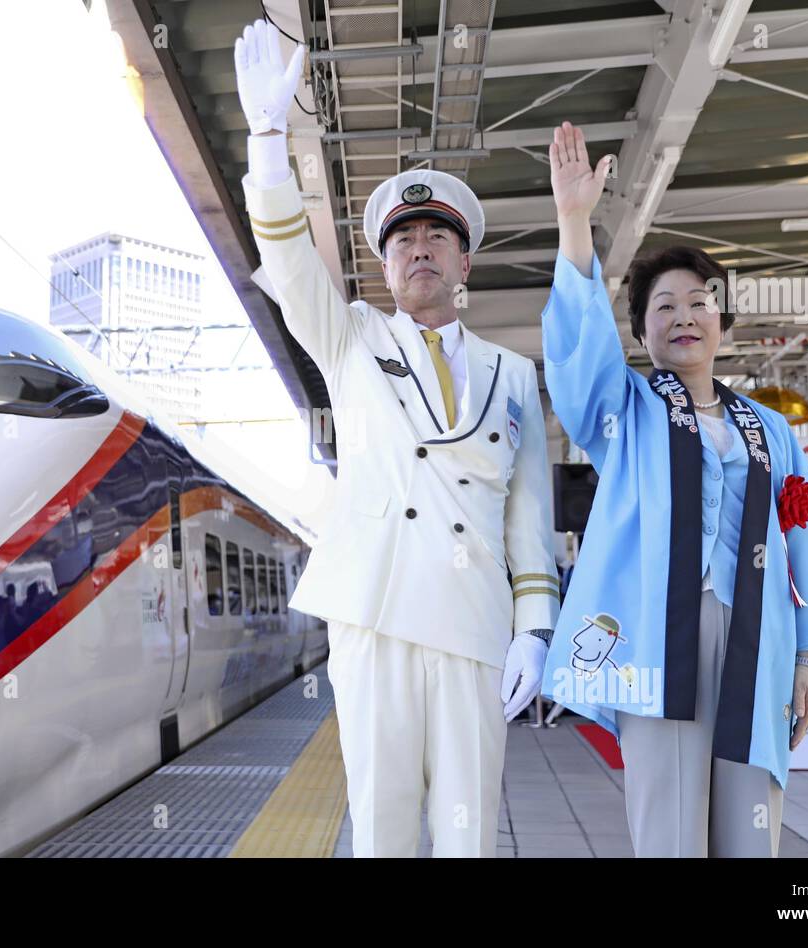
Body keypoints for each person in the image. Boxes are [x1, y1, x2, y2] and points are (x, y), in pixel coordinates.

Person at [233, 18, 559, 857]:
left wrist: (535, 626)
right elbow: (289, 259)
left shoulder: (515, 375)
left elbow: (527, 519)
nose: (420, 249)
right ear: (384, 269)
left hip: (478, 622)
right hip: (374, 615)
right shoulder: (348, 338)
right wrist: (268, 140)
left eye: (437, 238)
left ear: (464, 265)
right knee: (380, 823)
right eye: (403, 241)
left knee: (467, 830)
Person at [538, 122, 808, 857]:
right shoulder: (626, 410)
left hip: (760, 638)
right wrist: (573, 224)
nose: (684, 315)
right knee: (670, 826)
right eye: (664, 307)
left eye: (699, 302)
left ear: (721, 319)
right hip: (661, 636)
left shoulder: (769, 429)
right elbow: (578, 366)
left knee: (753, 819)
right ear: (641, 333)